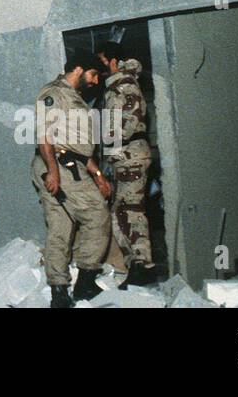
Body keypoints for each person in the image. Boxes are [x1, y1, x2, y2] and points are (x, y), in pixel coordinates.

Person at [32, 54, 112, 308]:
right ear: (78, 69)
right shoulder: (54, 93)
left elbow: (77, 148)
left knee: (60, 227)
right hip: (58, 166)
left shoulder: (75, 98)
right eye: (93, 74)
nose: (96, 80)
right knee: (97, 215)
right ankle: (84, 284)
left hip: (71, 164)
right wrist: (52, 172)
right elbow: (44, 136)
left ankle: (60, 292)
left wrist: (98, 176)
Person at [97, 42, 156, 288]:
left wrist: (109, 151)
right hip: (128, 154)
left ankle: (141, 266)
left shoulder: (123, 87)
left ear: (113, 61)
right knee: (124, 211)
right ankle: (137, 265)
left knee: (127, 212)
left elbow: (119, 129)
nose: (99, 69)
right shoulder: (122, 85)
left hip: (129, 154)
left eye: (101, 62)